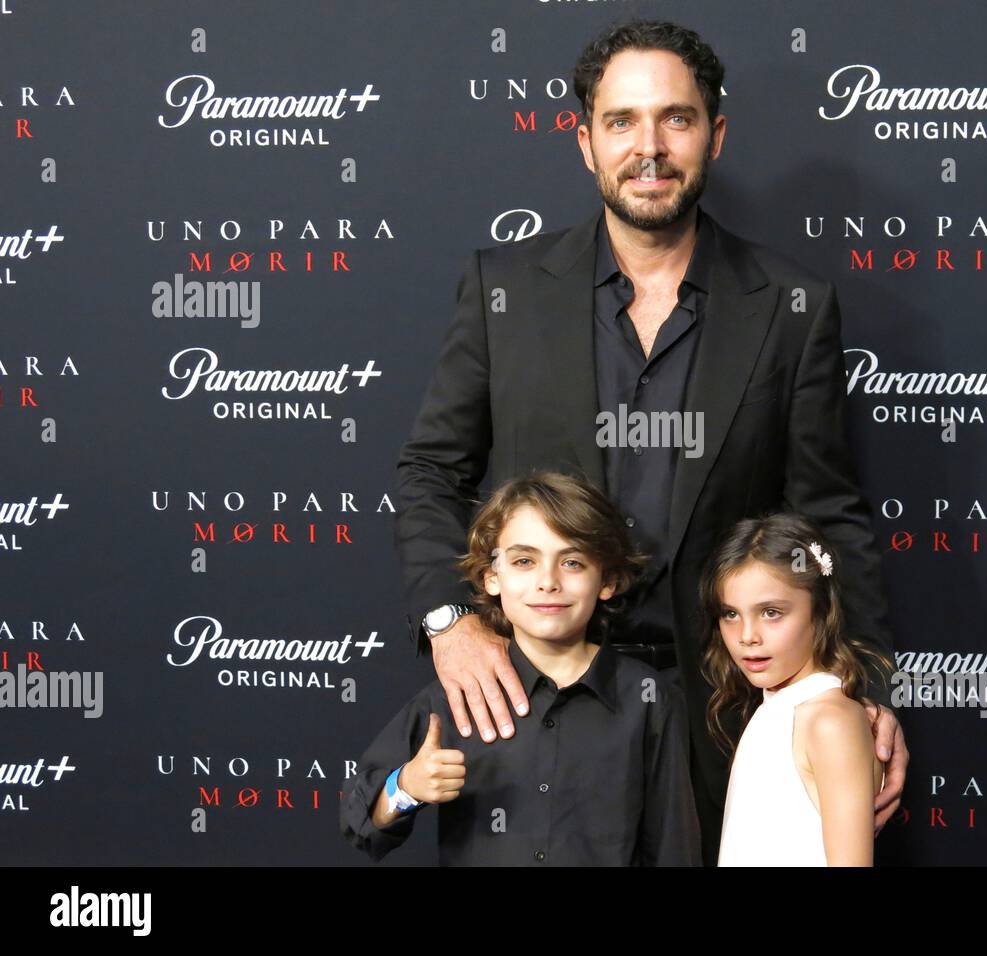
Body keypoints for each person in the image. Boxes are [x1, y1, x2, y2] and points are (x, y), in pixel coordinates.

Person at [392, 17, 908, 864]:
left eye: (677, 118)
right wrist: (450, 621)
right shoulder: (505, 288)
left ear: (716, 134)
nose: (650, 147)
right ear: (585, 142)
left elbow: (828, 513)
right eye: (622, 121)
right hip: (539, 695)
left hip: (722, 707)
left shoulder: (791, 304)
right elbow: (428, 472)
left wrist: (864, 692)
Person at [343, 471, 701, 865]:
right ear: (491, 577)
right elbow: (361, 824)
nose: (548, 582)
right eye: (524, 561)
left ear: (608, 581)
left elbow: (673, 846)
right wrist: (406, 786)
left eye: (573, 562)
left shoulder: (649, 699)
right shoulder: (459, 694)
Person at [701, 513, 887, 866]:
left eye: (771, 612)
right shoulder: (777, 708)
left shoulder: (830, 720)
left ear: (820, 610)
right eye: (730, 614)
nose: (747, 636)